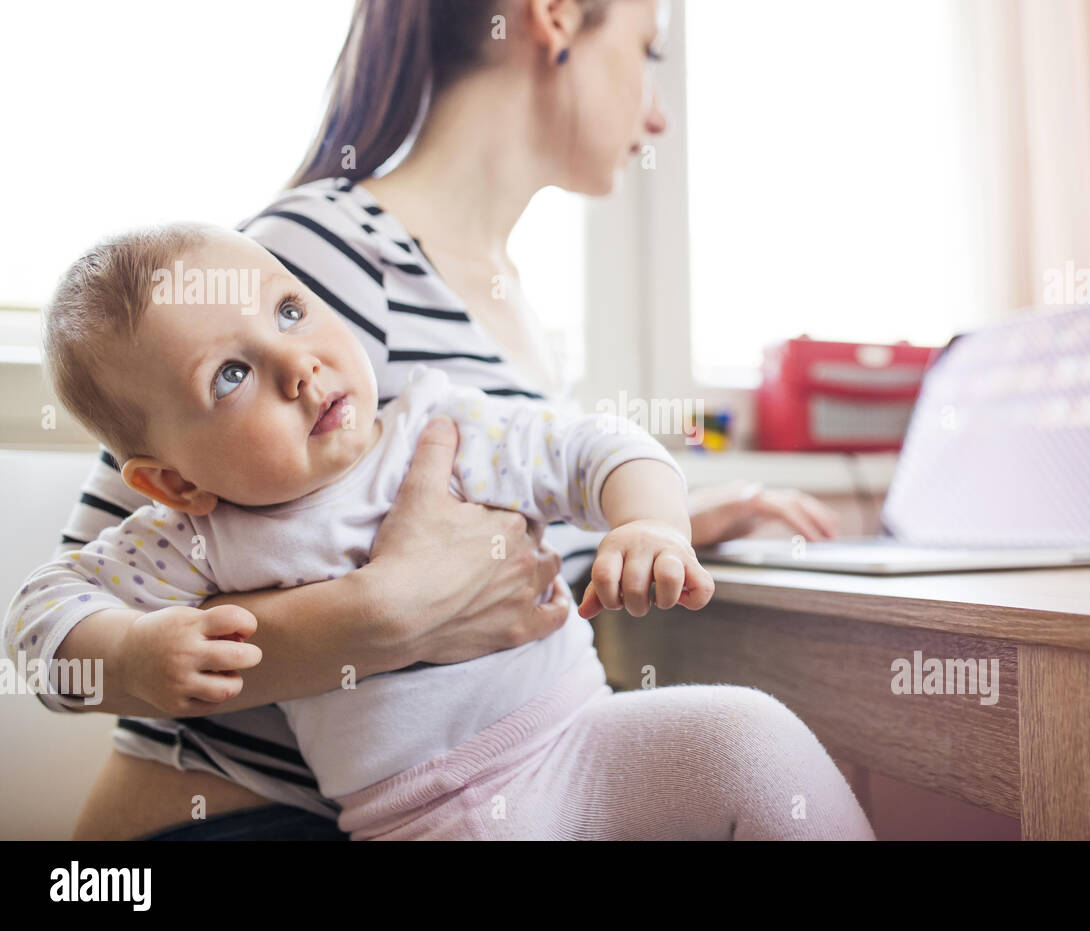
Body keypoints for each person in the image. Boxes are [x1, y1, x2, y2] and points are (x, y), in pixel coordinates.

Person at [51, 0, 840, 840]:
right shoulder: (330, 249)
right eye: (648, 50)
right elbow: (75, 654)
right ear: (556, 18)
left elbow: (478, 549)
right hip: (242, 822)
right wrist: (383, 614)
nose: (659, 109)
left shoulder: (515, 309)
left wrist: (646, 516)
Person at [15, 222, 872, 838]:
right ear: (173, 479)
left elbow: (592, 448)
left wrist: (649, 520)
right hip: (414, 816)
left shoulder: (442, 424)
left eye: (288, 311)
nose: (297, 365)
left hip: (582, 740)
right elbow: (38, 618)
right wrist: (129, 650)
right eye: (231, 375)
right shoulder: (194, 538)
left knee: (751, 737)